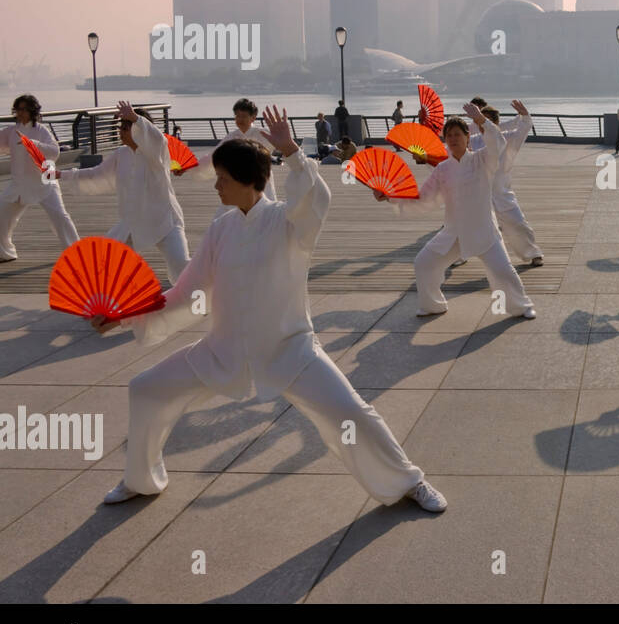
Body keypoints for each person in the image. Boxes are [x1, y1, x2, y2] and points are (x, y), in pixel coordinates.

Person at [88, 106, 447, 513]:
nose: (216, 187)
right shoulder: (221, 229)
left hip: (289, 349)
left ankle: (409, 482)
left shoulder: (288, 224)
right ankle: (141, 479)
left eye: (223, 179)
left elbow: (315, 198)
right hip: (222, 352)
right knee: (145, 389)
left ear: (248, 182)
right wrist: (123, 314)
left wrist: (293, 152)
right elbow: (185, 292)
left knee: (351, 413)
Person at [377, 101, 535, 319]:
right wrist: (390, 197)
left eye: (457, 134)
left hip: (484, 231)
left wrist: (481, 120)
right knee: (423, 264)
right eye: (449, 135)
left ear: (467, 137)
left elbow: (497, 144)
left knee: (503, 272)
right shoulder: (443, 169)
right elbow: (424, 198)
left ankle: (521, 306)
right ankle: (432, 305)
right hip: (454, 233)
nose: (453, 139)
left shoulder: (483, 159)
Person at [56, 101, 191, 285]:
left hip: (165, 219)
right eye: (122, 127)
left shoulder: (156, 152)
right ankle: (106, 298)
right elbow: (97, 174)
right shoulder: (121, 154)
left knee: (181, 263)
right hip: (133, 222)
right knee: (105, 260)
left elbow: (158, 138)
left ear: (140, 130)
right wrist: (61, 174)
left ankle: (196, 294)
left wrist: (136, 118)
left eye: (127, 128)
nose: (122, 131)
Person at [0, 93, 79, 262]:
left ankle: (75, 253)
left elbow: (54, 152)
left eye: (24, 109)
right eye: (18, 109)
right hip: (19, 184)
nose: (20, 113)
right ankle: (4, 252)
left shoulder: (41, 131)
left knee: (59, 216)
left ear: (32, 111)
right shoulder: (11, 131)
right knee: (2, 215)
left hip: (44, 182)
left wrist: (34, 144)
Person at [188, 99, 277, 217]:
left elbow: (281, 148)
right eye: (237, 116)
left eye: (244, 116)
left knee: (263, 214)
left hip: (260, 181)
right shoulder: (231, 137)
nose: (240, 120)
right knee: (227, 217)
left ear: (253, 117)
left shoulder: (262, 134)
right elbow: (213, 156)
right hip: (236, 181)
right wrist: (189, 166)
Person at [481, 104, 543, 266]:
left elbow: (523, 130)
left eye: (487, 121)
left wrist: (525, 116)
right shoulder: (472, 141)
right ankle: (456, 256)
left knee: (517, 223)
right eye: (481, 121)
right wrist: (426, 156)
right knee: (465, 227)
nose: (483, 125)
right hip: (478, 195)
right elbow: (451, 154)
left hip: (502, 193)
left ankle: (532, 253)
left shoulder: (508, 139)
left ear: (496, 123)